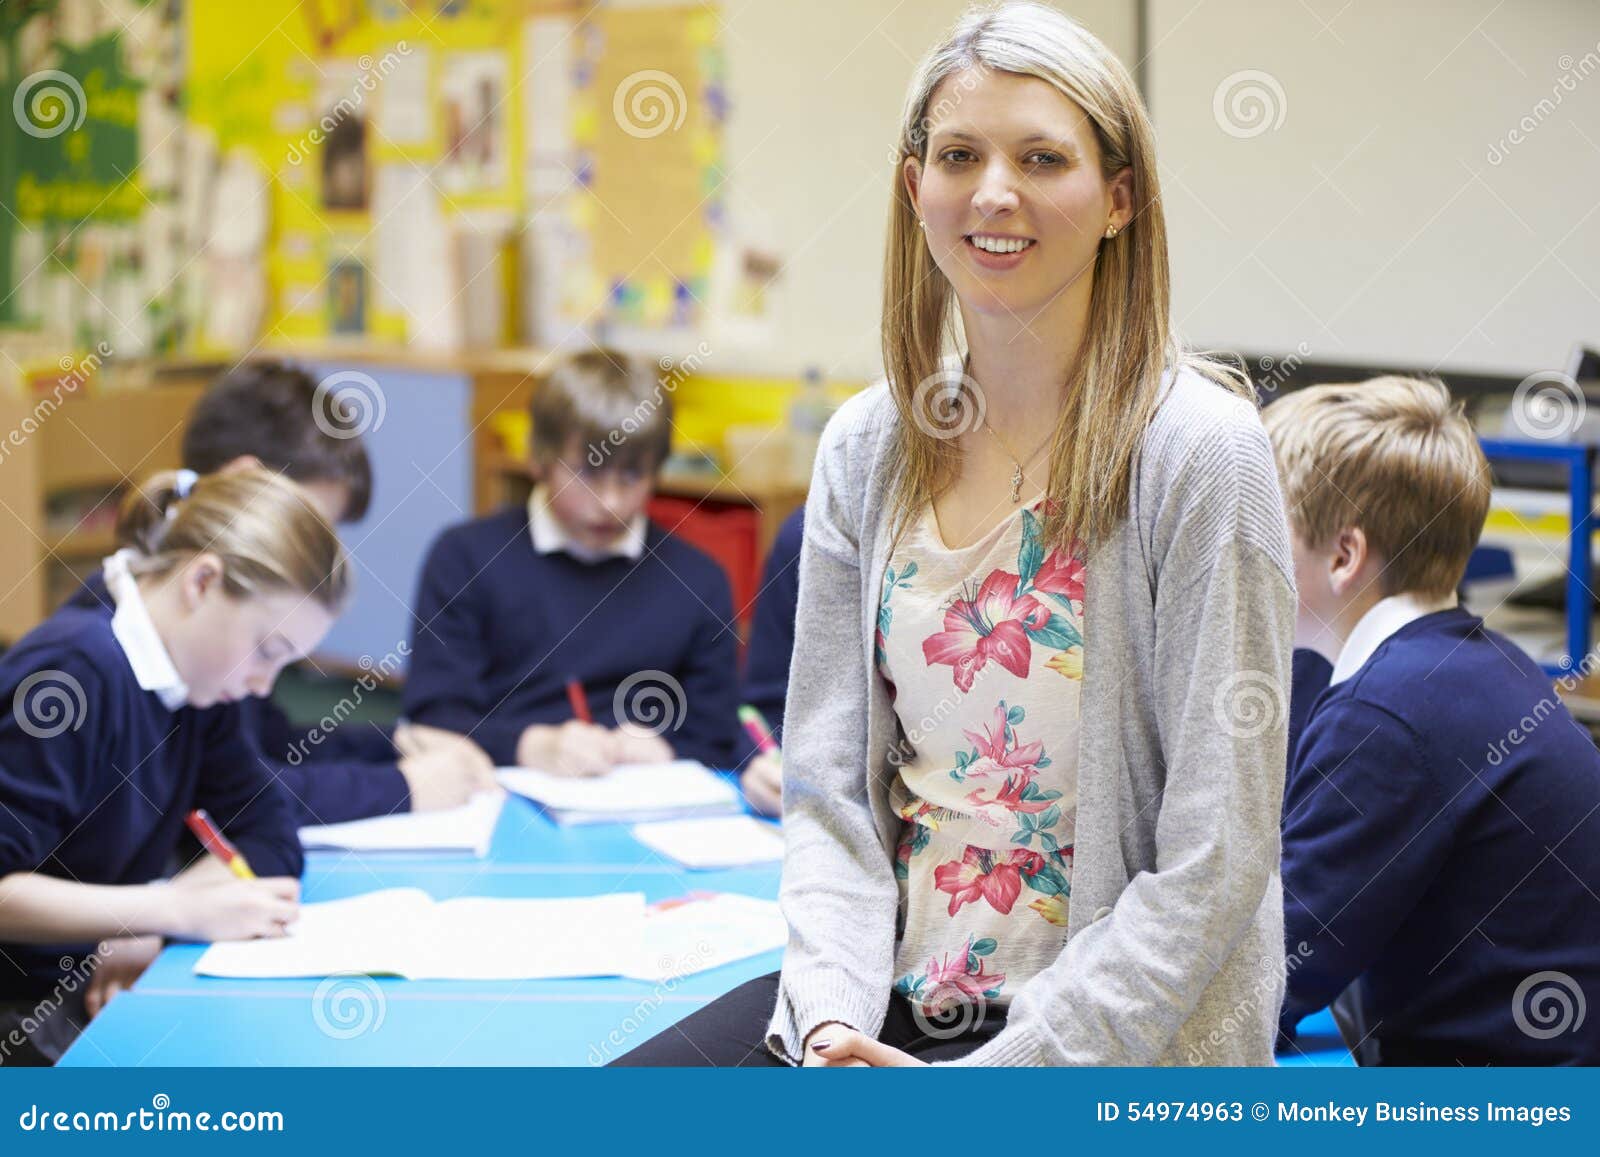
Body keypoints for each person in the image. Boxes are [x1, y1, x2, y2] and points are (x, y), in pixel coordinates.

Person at [614, 1, 1293, 1067]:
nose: (992, 191)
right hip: (889, 996)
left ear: (1118, 199)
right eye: (959, 154)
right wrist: (831, 1020)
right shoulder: (864, 448)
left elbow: (1217, 859)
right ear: (912, 184)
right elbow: (828, 794)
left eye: (1041, 158)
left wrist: (990, 1085)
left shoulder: (1202, 455)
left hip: (1110, 1041)